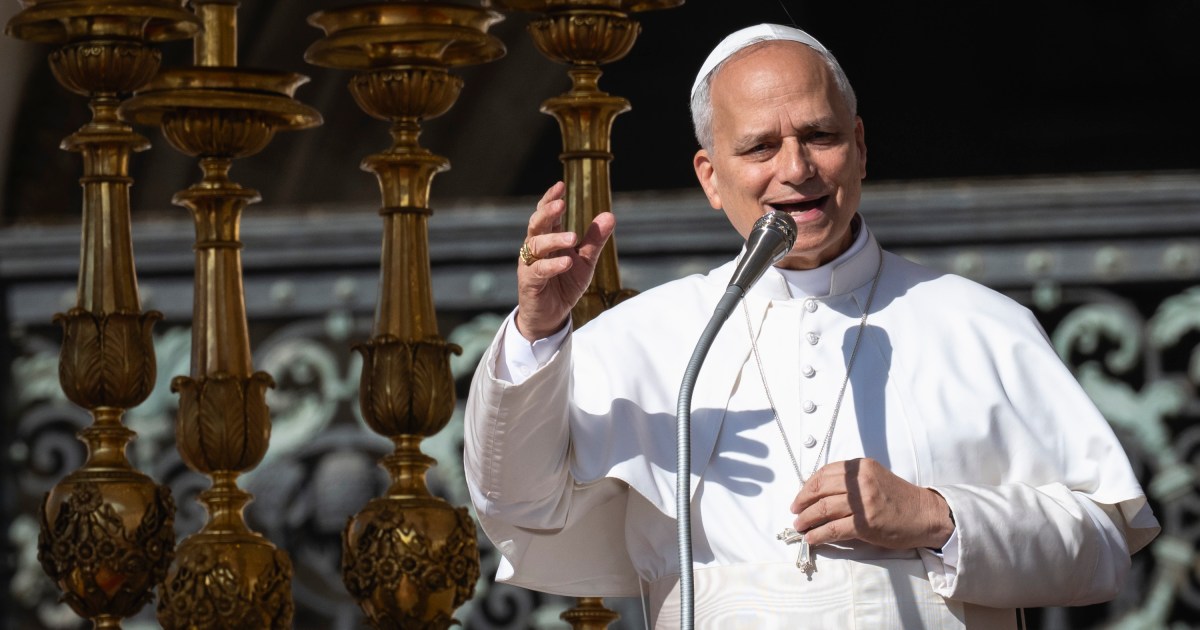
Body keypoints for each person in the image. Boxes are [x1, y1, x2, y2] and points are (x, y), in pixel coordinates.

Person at [463, 23, 1160, 628]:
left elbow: (1101, 548)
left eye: (820, 136)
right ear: (710, 177)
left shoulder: (980, 323)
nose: (796, 170)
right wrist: (537, 329)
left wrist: (936, 516)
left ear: (858, 145)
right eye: (760, 148)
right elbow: (518, 505)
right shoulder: (648, 335)